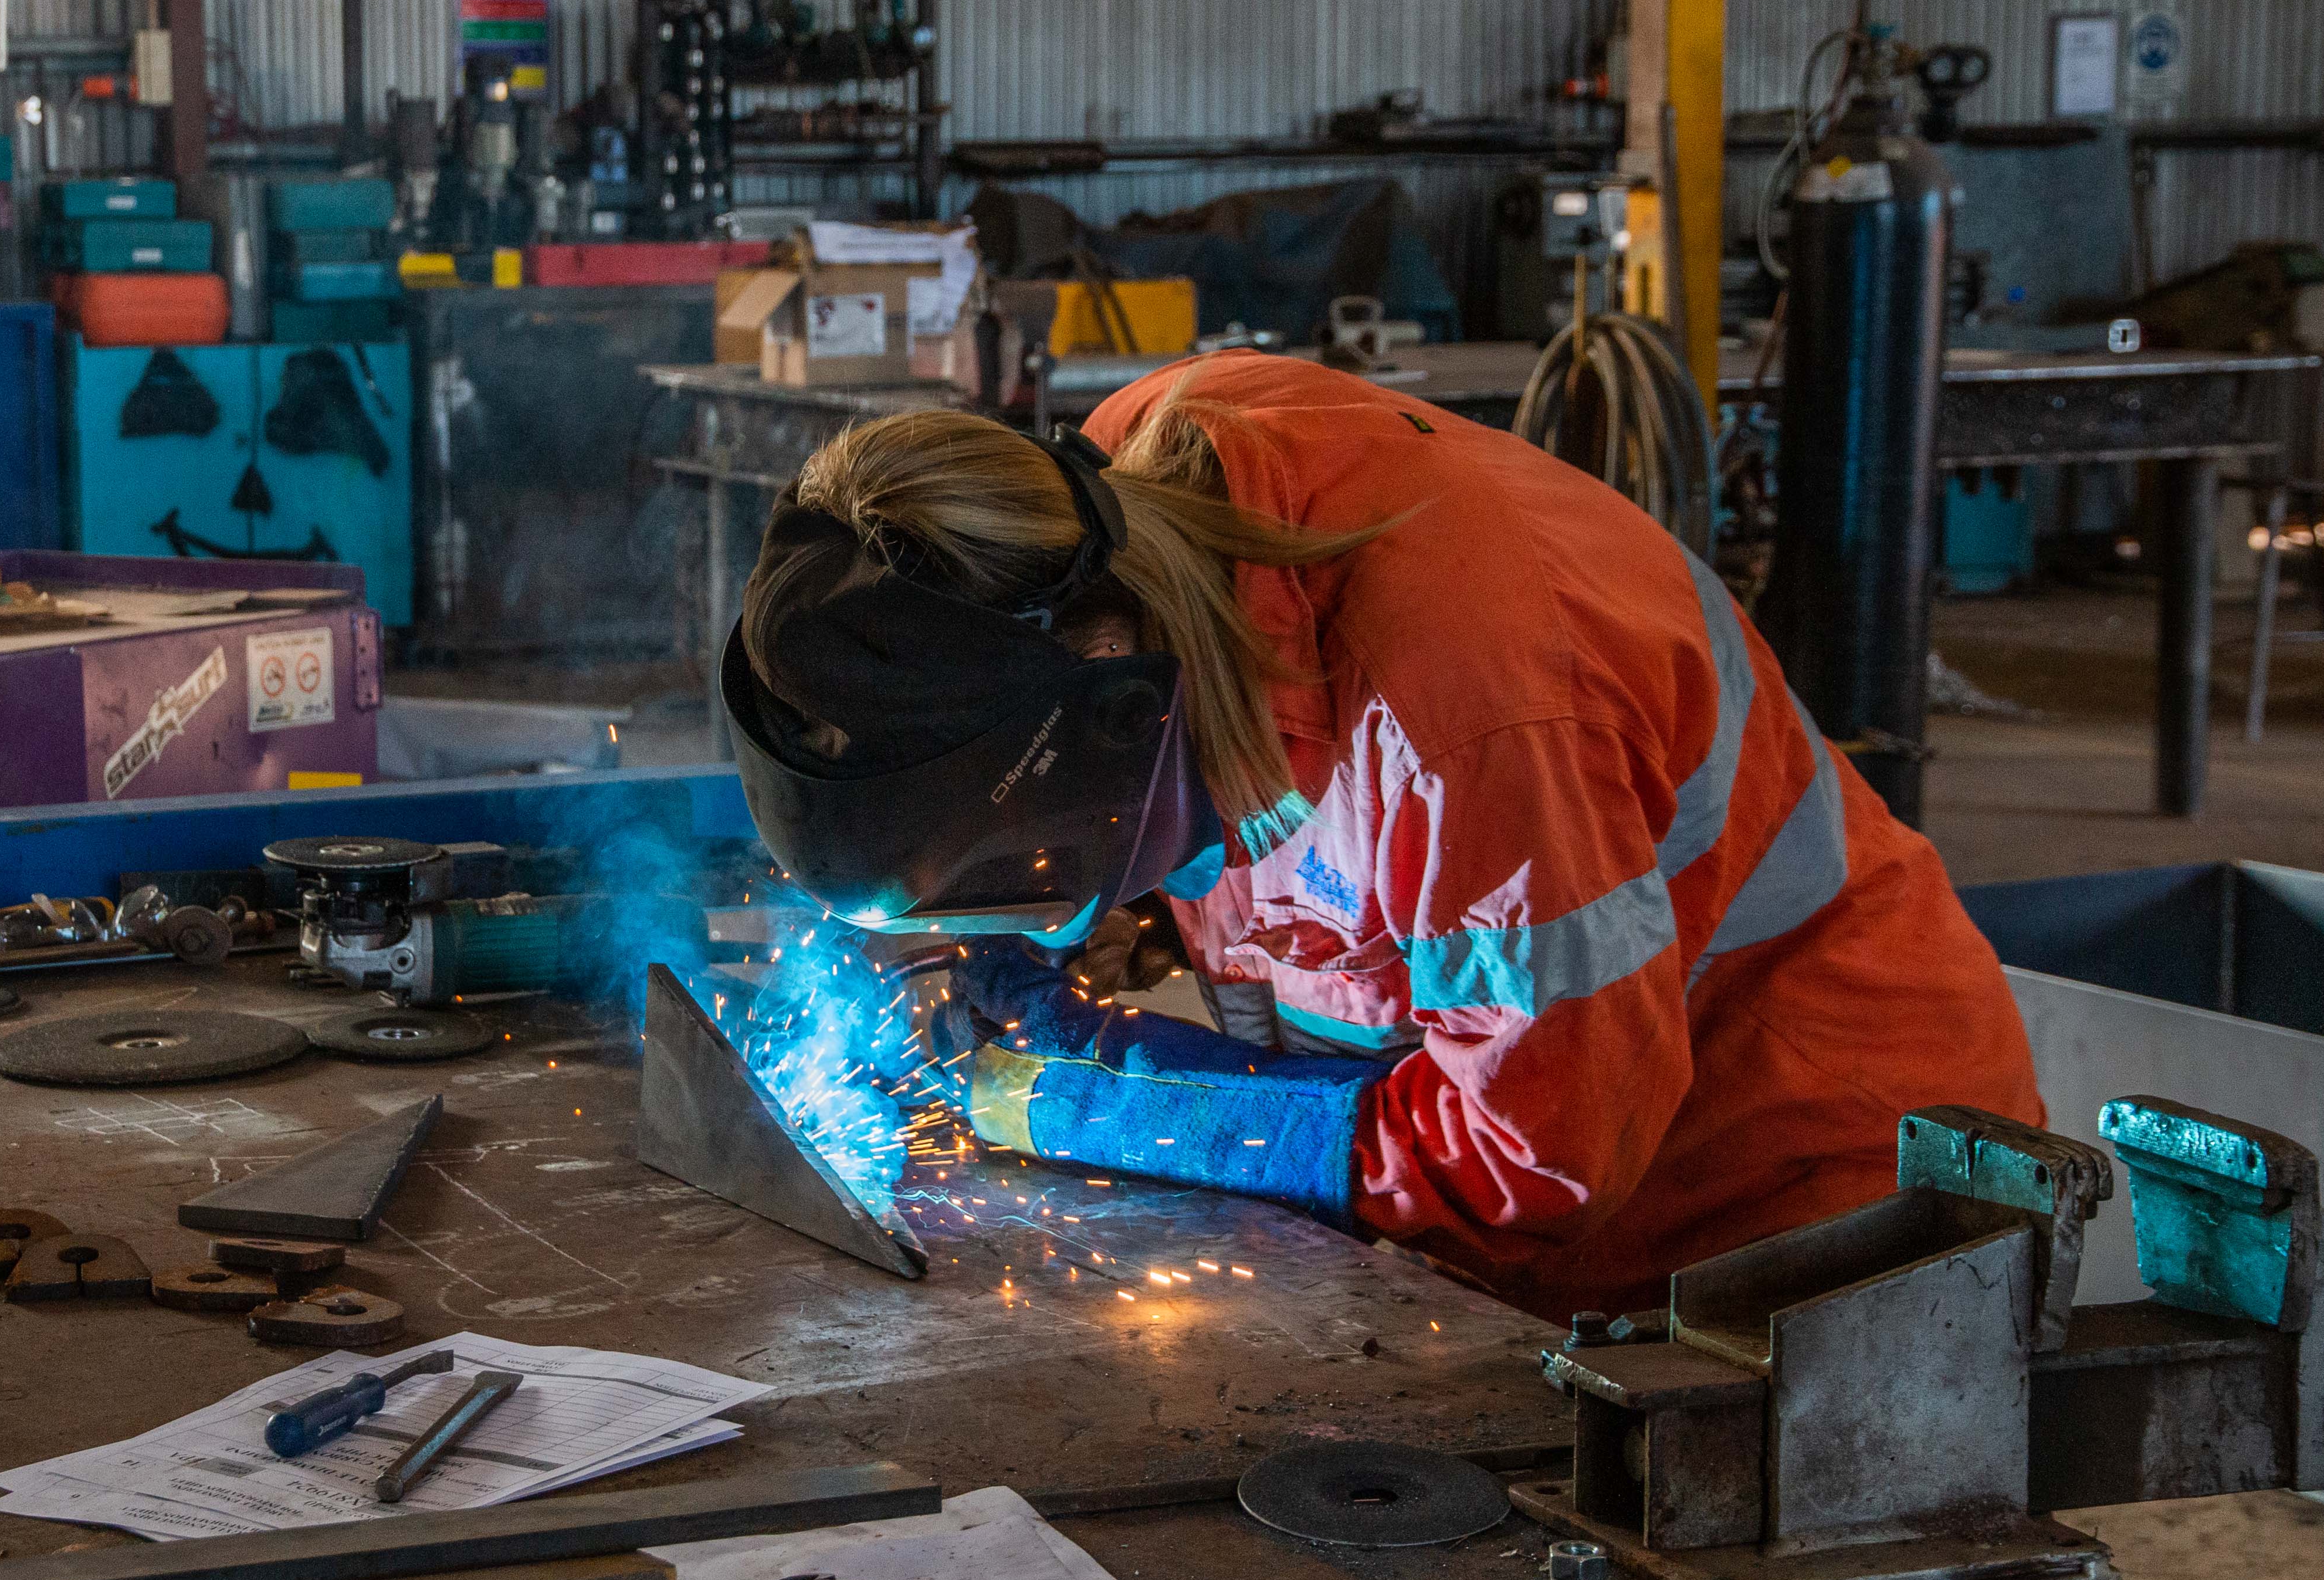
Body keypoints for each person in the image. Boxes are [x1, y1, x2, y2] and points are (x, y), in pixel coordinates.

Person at [721, 350, 2044, 1324]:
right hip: (1583, 1187)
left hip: (1806, 1208)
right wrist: (1087, 962)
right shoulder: (1135, 506)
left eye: (1006, 890)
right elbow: (1258, 847)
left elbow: (1534, 1162)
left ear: (1114, 725)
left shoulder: (1465, 726)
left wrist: (1080, 1095)